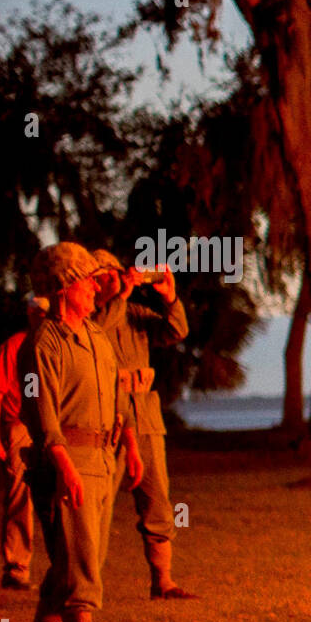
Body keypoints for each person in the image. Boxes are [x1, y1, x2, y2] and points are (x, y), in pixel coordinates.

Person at [19, 242, 143, 622]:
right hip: (68, 458)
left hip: (104, 457)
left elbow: (117, 395)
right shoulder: (41, 344)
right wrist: (65, 466)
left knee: (78, 557)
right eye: (87, 281)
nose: (94, 288)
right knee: (80, 559)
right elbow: (41, 413)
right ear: (63, 286)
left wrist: (131, 444)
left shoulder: (96, 337)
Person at [89, 250, 194, 599]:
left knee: (156, 498)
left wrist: (170, 297)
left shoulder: (135, 313)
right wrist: (120, 294)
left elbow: (176, 331)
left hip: (145, 412)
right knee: (98, 505)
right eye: (105, 275)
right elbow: (99, 330)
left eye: (117, 273)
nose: (114, 279)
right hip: (106, 415)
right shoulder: (90, 316)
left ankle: (162, 580)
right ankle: (87, 582)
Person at [0, 298, 48, 590]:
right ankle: (17, 567)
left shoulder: (54, 345)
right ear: (30, 313)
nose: (44, 318)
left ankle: (63, 566)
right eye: (38, 313)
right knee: (20, 499)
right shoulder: (14, 345)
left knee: (56, 498)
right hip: (19, 428)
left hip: (50, 429)